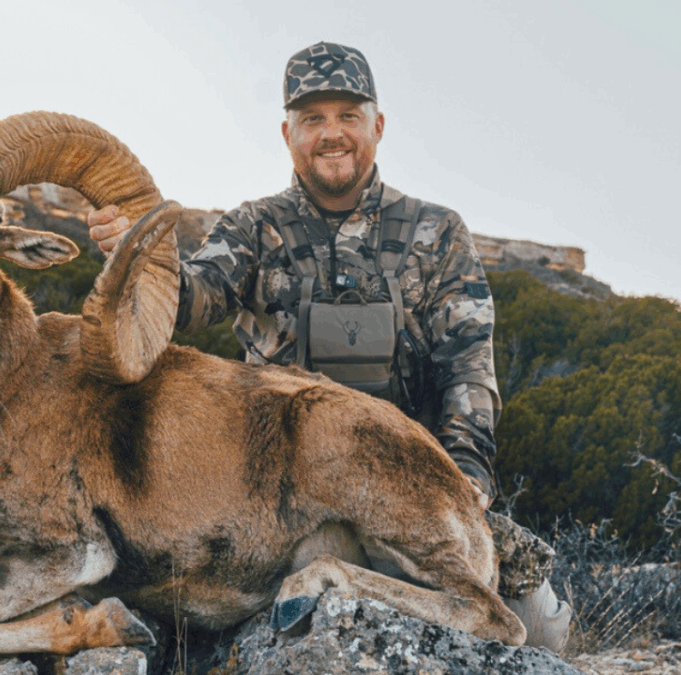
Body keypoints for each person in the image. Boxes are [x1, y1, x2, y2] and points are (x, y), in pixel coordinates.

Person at [88, 41, 571, 652]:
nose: (331, 134)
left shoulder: (438, 232)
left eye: (347, 115)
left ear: (378, 125)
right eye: (313, 119)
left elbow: (469, 369)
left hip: (408, 493)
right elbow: (190, 300)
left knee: (543, 635)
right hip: (272, 502)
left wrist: (464, 477)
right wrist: (138, 258)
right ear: (287, 133)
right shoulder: (252, 228)